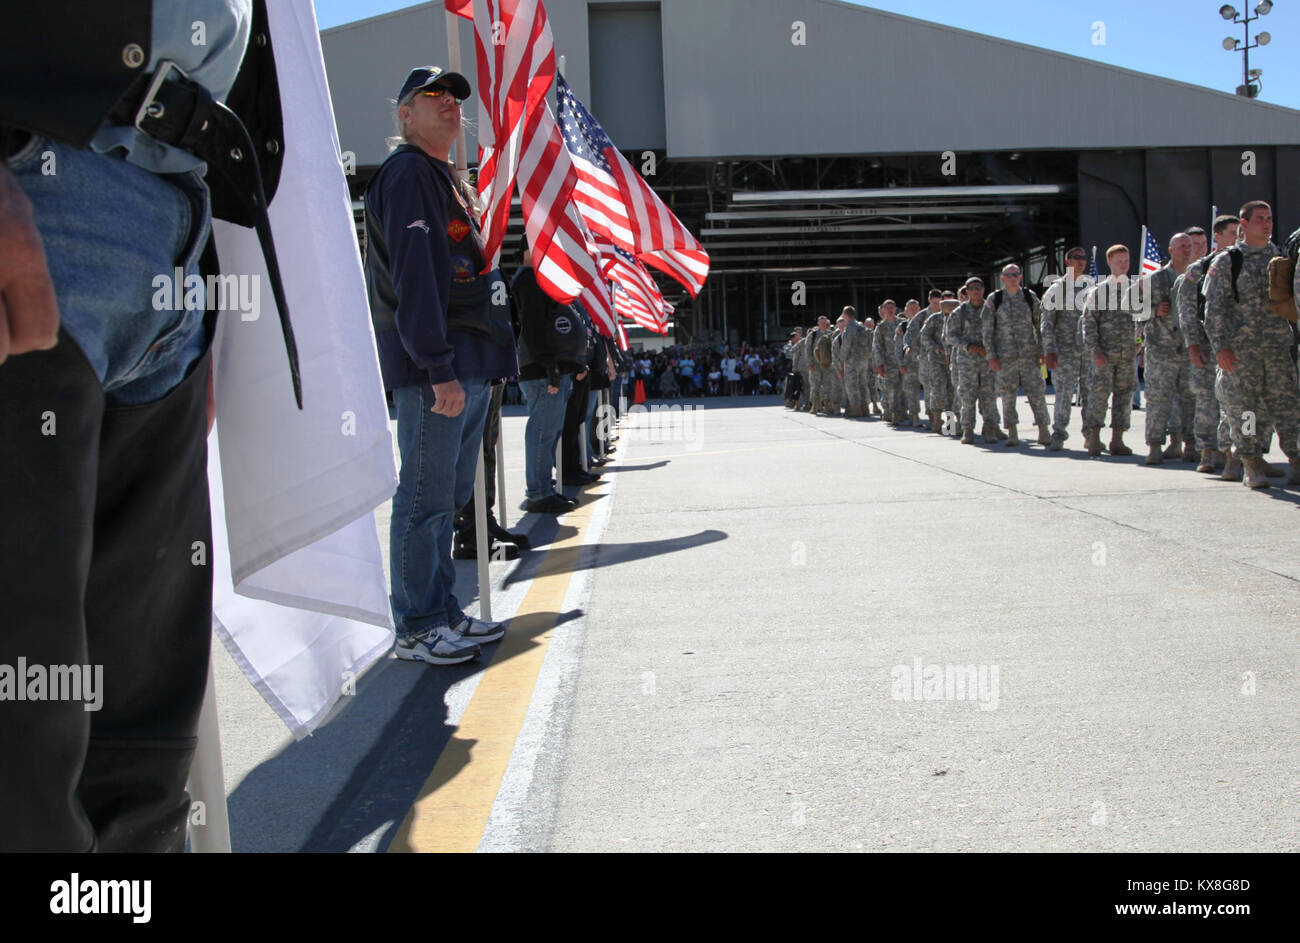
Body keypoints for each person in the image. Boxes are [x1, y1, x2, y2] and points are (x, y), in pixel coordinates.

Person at [0, 0, 295, 851]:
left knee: (140, 777)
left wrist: (189, 297)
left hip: (166, 222)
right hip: (37, 191)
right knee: (22, 780)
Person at [365, 65, 515, 666]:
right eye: (433, 96)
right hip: (441, 365)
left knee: (449, 491)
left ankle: (442, 609)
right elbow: (416, 274)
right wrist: (435, 365)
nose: (449, 104)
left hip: (466, 357)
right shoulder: (408, 175)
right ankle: (416, 624)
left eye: (454, 97)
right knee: (426, 494)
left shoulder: (442, 178)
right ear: (404, 114)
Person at [1203, 200, 1300, 489]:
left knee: (1288, 407)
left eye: (1269, 218)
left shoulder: (1282, 258)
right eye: (1260, 219)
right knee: (1245, 411)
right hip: (1241, 353)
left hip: (1278, 349)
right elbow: (1213, 309)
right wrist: (1220, 347)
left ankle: (1296, 461)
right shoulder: (1228, 261)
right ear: (1244, 225)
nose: (1267, 223)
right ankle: (1251, 463)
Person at [512, 243, 587, 513]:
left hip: (547, 368)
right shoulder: (529, 279)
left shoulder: (536, 279)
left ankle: (542, 487)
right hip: (541, 370)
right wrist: (550, 367)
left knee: (548, 431)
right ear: (524, 251)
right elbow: (534, 328)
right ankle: (539, 492)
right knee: (543, 432)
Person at [1177, 217, 1239, 473]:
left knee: (1235, 402)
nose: (1238, 237)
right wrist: (1192, 344)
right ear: (1219, 236)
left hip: (1237, 346)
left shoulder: (1244, 262)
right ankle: (1206, 451)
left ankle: (1233, 452)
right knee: (1206, 400)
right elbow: (1188, 311)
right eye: (1233, 233)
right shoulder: (1200, 270)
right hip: (1206, 346)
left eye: (1240, 232)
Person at [1129, 232, 1195, 465]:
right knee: (1157, 400)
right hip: (1161, 351)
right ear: (1171, 250)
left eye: (1189, 246)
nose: (1187, 250)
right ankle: (1155, 445)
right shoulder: (1155, 280)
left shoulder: (1196, 277)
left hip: (1189, 351)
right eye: (1182, 246)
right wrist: (1153, 311)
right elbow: (1129, 306)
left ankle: (1191, 445)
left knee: (1190, 400)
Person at [983, 264, 1051, 447]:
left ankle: (1043, 430)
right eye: (1008, 275)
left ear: (1020, 277)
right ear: (1003, 278)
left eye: (1016, 274)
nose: (1013, 277)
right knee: (1007, 394)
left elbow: (1040, 325)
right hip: (1005, 357)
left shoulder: (1030, 297)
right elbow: (987, 330)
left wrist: (1042, 349)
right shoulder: (994, 299)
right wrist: (991, 355)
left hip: (1029, 355)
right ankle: (1012, 432)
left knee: (1036, 391)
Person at [1081, 245, 1139, 457]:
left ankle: (1117, 439)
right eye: (1119, 261)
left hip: (1127, 355)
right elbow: (1088, 324)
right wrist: (1095, 350)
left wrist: (1139, 342)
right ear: (1110, 263)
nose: (1124, 264)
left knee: (1124, 397)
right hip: (1104, 355)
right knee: (1099, 395)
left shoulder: (1136, 290)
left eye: (1126, 260)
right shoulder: (1098, 292)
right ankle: (1094, 437)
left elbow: (1141, 320)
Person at [1040, 248, 1091, 450]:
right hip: (1064, 352)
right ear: (1068, 261)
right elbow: (1047, 322)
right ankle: (1059, 434)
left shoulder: (1090, 286)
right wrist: (1049, 351)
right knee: (1063, 394)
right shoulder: (1057, 288)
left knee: (1090, 394)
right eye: (1076, 258)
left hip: (1087, 351)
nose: (1081, 261)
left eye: (1083, 258)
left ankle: (1091, 434)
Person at [946, 278, 1002, 444]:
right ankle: (968, 430)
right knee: (967, 396)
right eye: (972, 288)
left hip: (988, 360)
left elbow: (1001, 332)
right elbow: (950, 336)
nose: (976, 291)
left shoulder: (991, 309)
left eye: (979, 287)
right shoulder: (960, 312)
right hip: (967, 361)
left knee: (989, 395)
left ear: (984, 290)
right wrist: (969, 346)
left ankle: (991, 429)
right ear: (967, 291)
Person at [918, 293, 955, 433]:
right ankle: (937, 421)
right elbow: (924, 337)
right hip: (936, 361)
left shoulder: (956, 318)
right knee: (937, 389)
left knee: (952, 392)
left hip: (951, 360)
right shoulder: (934, 318)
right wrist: (938, 349)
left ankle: (951, 424)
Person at [873, 300, 904, 425]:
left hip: (902, 362)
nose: (890, 310)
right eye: (887, 308)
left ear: (895, 309)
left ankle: (904, 412)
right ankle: (894, 413)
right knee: (892, 390)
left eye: (892, 308)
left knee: (904, 388)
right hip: (889, 363)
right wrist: (879, 364)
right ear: (883, 310)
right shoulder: (881, 327)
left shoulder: (902, 324)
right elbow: (877, 347)